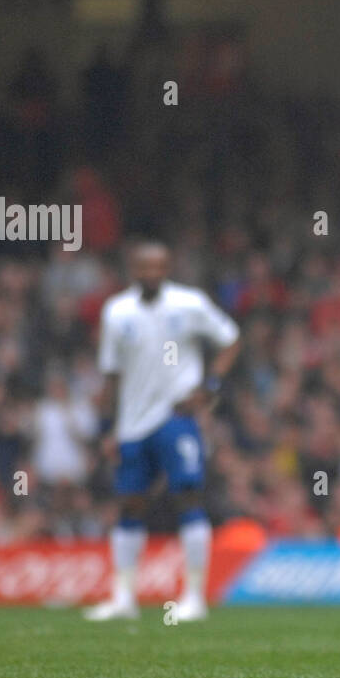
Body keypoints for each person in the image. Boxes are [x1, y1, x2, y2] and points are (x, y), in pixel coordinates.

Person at [85, 241, 240, 622]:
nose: (151, 274)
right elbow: (111, 375)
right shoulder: (116, 312)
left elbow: (230, 338)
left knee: (187, 495)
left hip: (176, 417)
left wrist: (210, 387)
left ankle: (194, 597)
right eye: (144, 267)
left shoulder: (188, 304)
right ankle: (123, 598)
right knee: (130, 504)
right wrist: (108, 428)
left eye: (158, 267)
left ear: (167, 268)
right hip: (133, 423)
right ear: (132, 269)